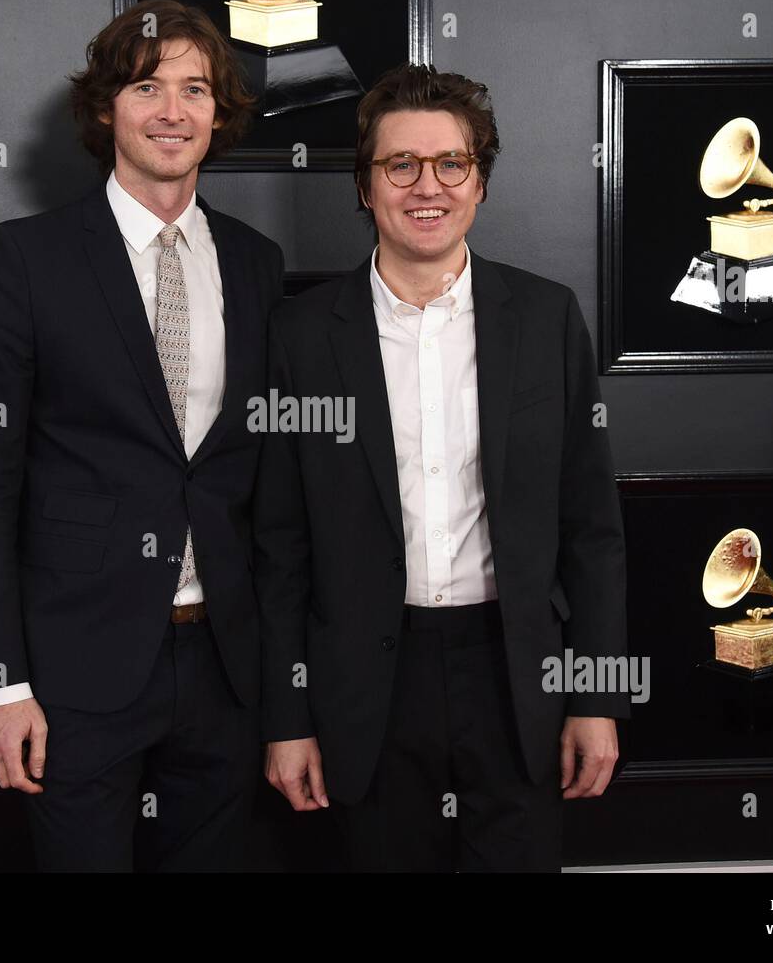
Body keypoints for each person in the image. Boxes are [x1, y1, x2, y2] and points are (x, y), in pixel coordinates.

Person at [254, 63, 629, 871]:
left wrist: (596, 698)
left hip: (516, 678)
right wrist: (287, 718)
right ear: (365, 185)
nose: (429, 187)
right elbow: (279, 547)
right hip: (366, 691)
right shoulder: (301, 334)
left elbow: (590, 529)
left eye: (451, 164)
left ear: (480, 183)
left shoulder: (547, 317)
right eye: (401, 165)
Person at [0, 0, 284, 871]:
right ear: (107, 108)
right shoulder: (27, 258)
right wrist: (2, 683)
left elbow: (265, 480)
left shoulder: (254, 262)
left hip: (223, 663)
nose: (173, 110)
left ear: (220, 111)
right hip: (73, 670)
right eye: (148, 86)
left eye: (195, 89)